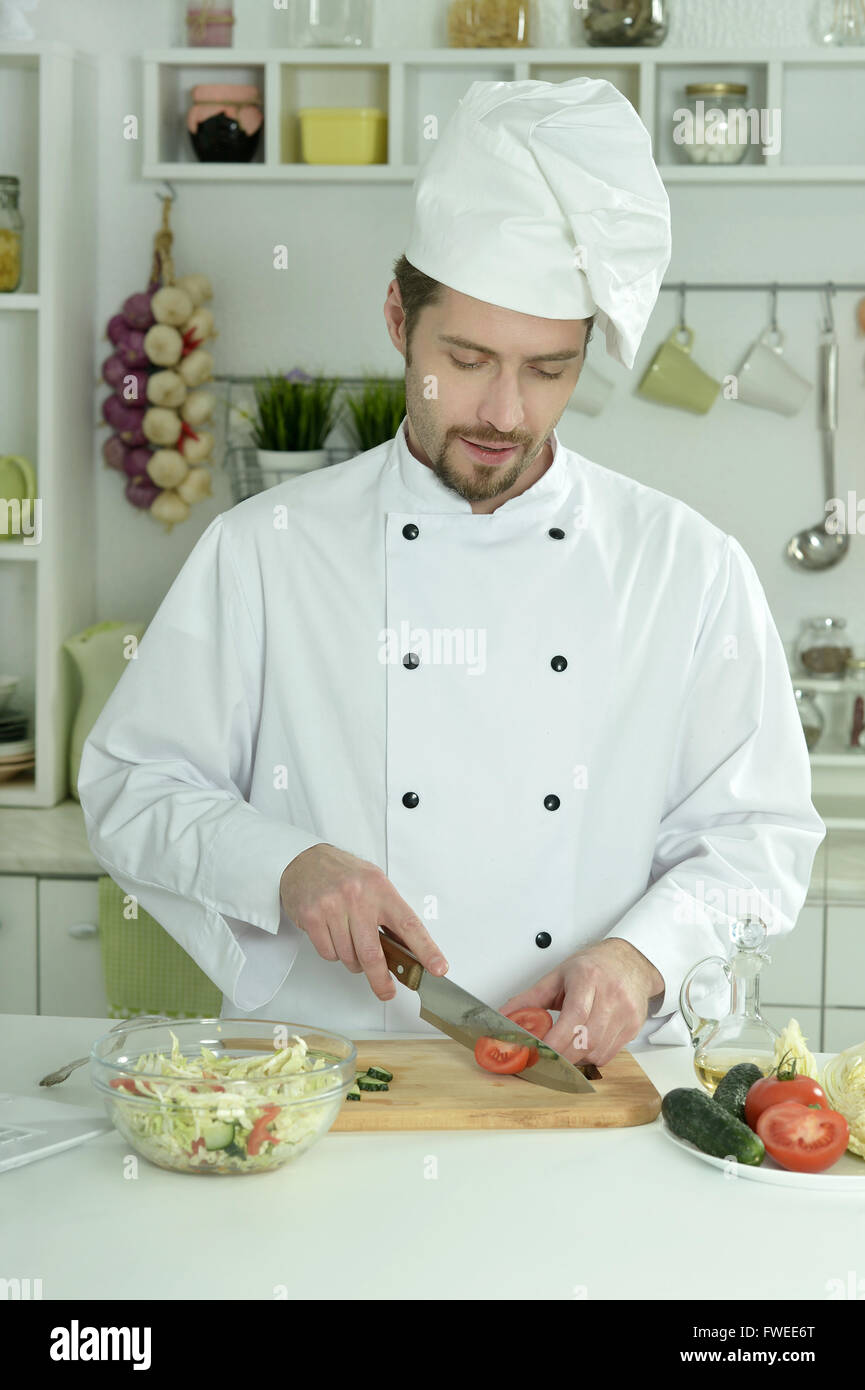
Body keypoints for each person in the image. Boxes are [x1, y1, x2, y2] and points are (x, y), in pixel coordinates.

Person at [78, 77, 825, 1065]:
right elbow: (131, 786)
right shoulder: (267, 549)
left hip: (588, 1091)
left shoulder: (684, 567)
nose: (504, 413)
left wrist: (643, 956)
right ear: (398, 316)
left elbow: (759, 834)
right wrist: (284, 862)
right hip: (321, 1099)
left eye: (548, 370)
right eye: (467, 359)